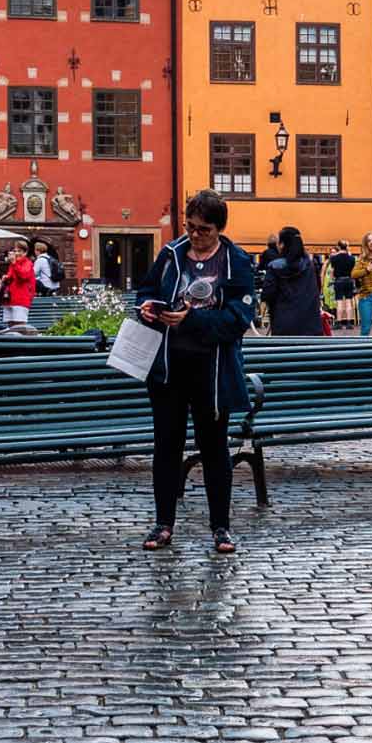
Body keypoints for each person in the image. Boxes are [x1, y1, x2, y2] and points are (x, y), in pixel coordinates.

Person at [133, 191, 257, 555]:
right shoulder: (171, 254)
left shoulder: (236, 262)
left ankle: (221, 527)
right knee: (166, 447)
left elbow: (239, 318)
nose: (195, 235)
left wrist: (194, 319)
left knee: (214, 449)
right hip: (169, 368)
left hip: (212, 370)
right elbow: (146, 289)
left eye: (203, 229)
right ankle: (163, 523)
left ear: (220, 228)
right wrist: (147, 307)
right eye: (189, 226)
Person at [262, 226, 326, 336]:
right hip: (311, 326)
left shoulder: (274, 267)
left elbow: (267, 294)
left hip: (283, 326)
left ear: (282, 245)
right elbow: (317, 289)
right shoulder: (311, 265)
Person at [0, 242, 37, 330]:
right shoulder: (13, 264)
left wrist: (14, 263)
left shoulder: (27, 263)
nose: (16, 253)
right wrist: (6, 278)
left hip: (21, 299)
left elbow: (24, 276)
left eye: (19, 251)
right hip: (10, 299)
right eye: (15, 251)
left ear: (25, 252)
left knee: (20, 325)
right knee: (10, 325)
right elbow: (11, 277)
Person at [328, 240, 359, 333]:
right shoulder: (352, 258)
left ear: (339, 246)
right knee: (349, 301)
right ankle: (349, 322)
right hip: (349, 280)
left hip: (339, 280)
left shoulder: (333, 258)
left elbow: (332, 272)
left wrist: (332, 279)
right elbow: (353, 271)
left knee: (339, 302)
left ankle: (339, 322)